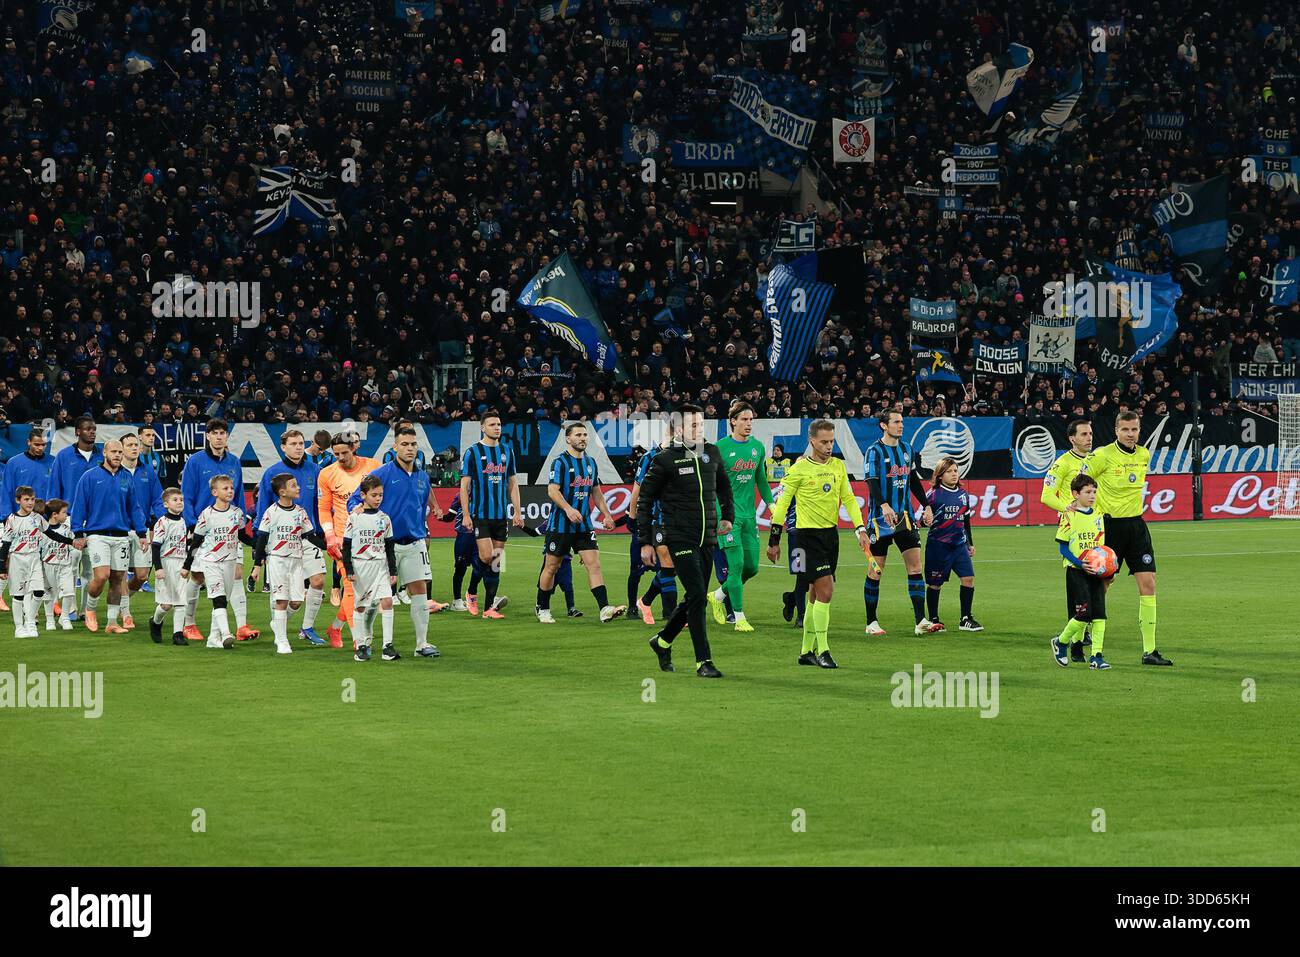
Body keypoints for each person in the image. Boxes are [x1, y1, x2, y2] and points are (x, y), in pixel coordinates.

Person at [636, 404, 733, 678]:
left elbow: (725, 487)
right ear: (678, 428)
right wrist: (645, 541)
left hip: (708, 538)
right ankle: (703, 661)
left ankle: (662, 641)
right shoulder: (665, 459)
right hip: (680, 537)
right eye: (693, 425)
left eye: (701, 425)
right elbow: (644, 501)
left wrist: (727, 516)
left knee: (695, 596)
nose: (698, 429)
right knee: (699, 596)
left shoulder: (711, 453)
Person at [767, 420, 871, 669]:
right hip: (804, 537)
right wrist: (774, 540)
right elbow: (781, 504)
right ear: (811, 441)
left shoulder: (838, 466)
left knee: (815, 594)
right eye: (824, 441)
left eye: (832, 441)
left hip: (829, 536)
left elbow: (848, 498)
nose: (828, 446)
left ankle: (805, 652)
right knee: (826, 591)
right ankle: (823, 649)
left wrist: (860, 528)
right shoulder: (799, 469)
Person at [344, 425, 442, 657]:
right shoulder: (383, 473)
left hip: (415, 542)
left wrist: (433, 510)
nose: (409, 449)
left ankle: (421, 644)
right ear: (395, 447)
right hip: (385, 546)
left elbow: (424, 499)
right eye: (405, 444)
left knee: (420, 590)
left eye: (413, 444)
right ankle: (365, 639)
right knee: (374, 598)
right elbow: (356, 497)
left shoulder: (421, 476)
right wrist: (355, 508)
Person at [1083, 410, 1172, 666]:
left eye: (1134, 429)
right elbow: (1080, 481)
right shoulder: (1102, 455)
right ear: (1116, 430)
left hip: (1137, 526)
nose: (1130, 434)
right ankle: (1084, 628)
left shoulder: (1144, 454)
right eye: (1125, 430)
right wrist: (1080, 512)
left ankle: (1150, 651)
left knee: (1149, 583)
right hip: (1110, 528)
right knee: (1104, 584)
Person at [535, 422, 626, 623]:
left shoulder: (591, 463)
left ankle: (604, 609)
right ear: (568, 439)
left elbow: (597, 493)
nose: (583, 438)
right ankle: (543, 607)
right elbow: (552, 490)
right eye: (578, 435)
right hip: (560, 525)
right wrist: (568, 508)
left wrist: (607, 515)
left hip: (584, 526)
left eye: (585, 434)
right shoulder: (560, 462)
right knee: (552, 566)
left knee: (594, 565)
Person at [862, 408, 938, 637]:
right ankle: (871, 622)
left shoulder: (906, 449)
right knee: (876, 571)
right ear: (884, 425)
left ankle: (920, 621)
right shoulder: (874, 451)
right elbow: (872, 481)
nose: (901, 425)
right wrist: (884, 504)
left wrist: (925, 504)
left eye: (902, 421)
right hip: (879, 520)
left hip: (904, 518)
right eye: (896, 421)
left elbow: (912, 479)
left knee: (915, 567)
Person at [180, 419, 256, 641]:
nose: (220, 437)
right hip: (203, 527)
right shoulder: (195, 462)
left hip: (231, 527)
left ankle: (242, 625)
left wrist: (242, 519)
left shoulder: (234, 462)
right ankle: (189, 623)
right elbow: (188, 495)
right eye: (215, 433)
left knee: (237, 572)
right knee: (197, 576)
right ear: (208, 436)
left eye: (223, 433)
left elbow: (239, 493)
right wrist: (193, 525)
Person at [253, 429, 328, 645]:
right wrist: (261, 543)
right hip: (280, 540)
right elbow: (263, 506)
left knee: (318, 580)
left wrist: (322, 532)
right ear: (283, 447)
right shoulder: (272, 473)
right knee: (282, 590)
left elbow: (318, 503)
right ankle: (280, 626)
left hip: (308, 536)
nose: (297, 447)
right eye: (292, 443)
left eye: (300, 443)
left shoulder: (315, 470)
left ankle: (306, 627)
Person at [69, 439, 148, 634]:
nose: (117, 455)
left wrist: (141, 532)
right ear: (104, 453)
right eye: (114, 452)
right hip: (98, 535)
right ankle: (90, 609)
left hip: (121, 536)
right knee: (101, 576)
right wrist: (78, 532)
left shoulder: (126, 478)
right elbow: (79, 506)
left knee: (117, 578)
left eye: (120, 452)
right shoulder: (89, 477)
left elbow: (134, 507)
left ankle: (112, 623)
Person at [708, 401, 774, 633]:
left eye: (751, 420)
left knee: (751, 568)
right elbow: (711, 485)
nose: (748, 424)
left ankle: (717, 595)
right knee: (735, 567)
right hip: (727, 517)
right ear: (733, 421)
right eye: (744, 419)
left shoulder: (757, 447)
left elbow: (762, 481)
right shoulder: (719, 448)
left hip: (748, 517)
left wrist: (772, 504)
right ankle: (738, 616)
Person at [317, 429, 380, 647]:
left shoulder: (374, 466)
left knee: (369, 591)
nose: (341, 458)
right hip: (344, 539)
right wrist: (330, 535)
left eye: (344, 452)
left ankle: (335, 628)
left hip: (372, 538)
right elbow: (324, 508)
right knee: (350, 585)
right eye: (336, 454)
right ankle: (358, 638)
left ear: (353, 448)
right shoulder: (326, 474)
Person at [459, 411, 525, 618]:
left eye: (499, 424)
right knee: (486, 556)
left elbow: (512, 483)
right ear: (482, 427)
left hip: (500, 515)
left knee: (497, 560)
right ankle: (471, 592)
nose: (497, 427)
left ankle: (489, 608)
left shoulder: (507, 451)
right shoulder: (472, 452)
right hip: (480, 514)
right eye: (492, 424)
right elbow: (464, 487)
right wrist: (466, 515)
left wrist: (517, 511)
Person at [1040, 419, 1093, 660]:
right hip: (1073, 528)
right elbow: (1046, 495)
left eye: (1090, 433)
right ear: (1072, 438)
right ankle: (1075, 629)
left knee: (1097, 576)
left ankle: (1082, 627)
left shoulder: (1095, 461)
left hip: (1095, 526)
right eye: (1083, 434)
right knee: (1077, 577)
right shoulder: (1061, 464)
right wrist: (1068, 508)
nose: (1089, 438)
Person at [184, 475, 255, 650]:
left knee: (224, 599)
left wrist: (261, 546)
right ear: (215, 492)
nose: (230, 491)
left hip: (230, 562)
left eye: (231, 488)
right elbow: (196, 541)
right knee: (219, 600)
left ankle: (213, 638)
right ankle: (226, 634)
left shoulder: (237, 513)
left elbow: (243, 536)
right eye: (225, 488)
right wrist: (187, 565)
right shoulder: (207, 515)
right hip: (211, 562)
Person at [1051, 474, 1111, 670]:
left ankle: (1097, 656)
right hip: (1076, 571)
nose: (1092, 495)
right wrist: (1080, 563)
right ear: (1076, 494)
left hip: (1096, 571)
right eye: (1087, 492)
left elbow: (1100, 548)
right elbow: (1063, 548)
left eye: (1094, 491)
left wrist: (1107, 567)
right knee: (1084, 614)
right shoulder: (1069, 516)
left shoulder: (1098, 516)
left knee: (1100, 615)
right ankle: (1060, 642)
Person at [47, 415, 102, 619]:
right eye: (88, 428)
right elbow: (54, 488)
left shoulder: (101, 457)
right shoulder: (63, 456)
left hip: (96, 520)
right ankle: (68, 608)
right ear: (77, 431)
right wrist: (53, 518)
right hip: (70, 518)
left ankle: (85, 610)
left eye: (94, 428)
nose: (92, 431)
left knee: (90, 569)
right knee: (69, 566)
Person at [626, 416, 679, 625]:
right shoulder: (650, 457)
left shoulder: (685, 455)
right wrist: (634, 521)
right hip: (650, 521)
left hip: (673, 522)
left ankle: (663, 610)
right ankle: (633, 605)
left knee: (669, 568)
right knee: (637, 567)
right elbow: (637, 491)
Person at [342, 475, 399, 662]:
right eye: (374, 495)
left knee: (387, 602)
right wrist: (349, 569)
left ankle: (387, 646)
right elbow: (347, 546)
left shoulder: (385, 518)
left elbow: (389, 546)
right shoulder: (354, 518)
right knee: (360, 606)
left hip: (380, 565)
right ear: (363, 495)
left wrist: (393, 571)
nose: (378, 499)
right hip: (361, 566)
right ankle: (361, 646)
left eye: (381, 495)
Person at [0, 425, 54, 616]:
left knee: (46, 563)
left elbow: (55, 492)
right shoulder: (14, 463)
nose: (40, 448)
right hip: (18, 521)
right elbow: (6, 490)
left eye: (44, 445)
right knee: (14, 562)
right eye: (37, 444)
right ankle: (10, 597)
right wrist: (8, 517)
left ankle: (47, 600)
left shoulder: (52, 462)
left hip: (43, 522)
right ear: (28, 442)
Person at [923, 457, 981, 632]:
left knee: (968, 579)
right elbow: (922, 517)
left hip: (959, 546)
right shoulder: (932, 495)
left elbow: (966, 520)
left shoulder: (964, 495)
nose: (954, 474)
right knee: (935, 584)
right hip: (938, 546)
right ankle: (933, 618)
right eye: (949, 471)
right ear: (940, 475)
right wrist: (924, 520)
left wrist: (970, 543)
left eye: (955, 470)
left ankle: (965, 618)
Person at [120, 432, 165, 630]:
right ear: (121, 449)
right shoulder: (114, 472)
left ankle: (122, 600)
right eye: (129, 445)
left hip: (142, 530)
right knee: (120, 573)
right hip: (119, 529)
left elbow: (157, 498)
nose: (134, 448)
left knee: (142, 576)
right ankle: (125, 613)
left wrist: (164, 520)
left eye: (135, 445)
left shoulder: (147, 471)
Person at [1, 486, 50, 637]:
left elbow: (50, 533)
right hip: (17, 558)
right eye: (26, 499)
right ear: (18, 500)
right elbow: (6, 544)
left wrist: (71, 541)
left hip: (34, 557)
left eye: (32, 499)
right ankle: (19, 627)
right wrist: (2, 567)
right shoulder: (12, 520)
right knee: (19, 595)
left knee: (39, 591)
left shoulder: (37, 518)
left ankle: (29, 621)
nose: (30, 502)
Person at [148, 487, 190, 645]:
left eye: (181, 500)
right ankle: (156, 622)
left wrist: (186, 565)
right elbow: (156, 546)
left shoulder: (183, 521)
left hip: (180, 563)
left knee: (180, 601)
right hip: (166, 563)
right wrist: (158, 568)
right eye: (175, 500)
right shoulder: (162, 523)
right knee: (166, 604)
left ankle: (177, 634)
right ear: (166, 504)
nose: (179, 502)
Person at [39, 499, 76, 631]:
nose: (66, 515)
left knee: (69, 592)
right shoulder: (42, 531)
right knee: (48, 593)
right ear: (54, 514)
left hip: (65, 565)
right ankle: (49, 619)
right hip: (48, 565)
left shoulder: (67, 530)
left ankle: (64, 617)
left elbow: (74, 545)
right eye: (64, 512)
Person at [438, 492, 478, 610]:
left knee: (481, 567)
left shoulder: (483, 492)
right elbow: (450, 516)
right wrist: (441, 517)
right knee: (461, 568)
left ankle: (474, 595)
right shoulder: (460, 495)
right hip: (464, 536)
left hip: (480, 536)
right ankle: (457, 600)